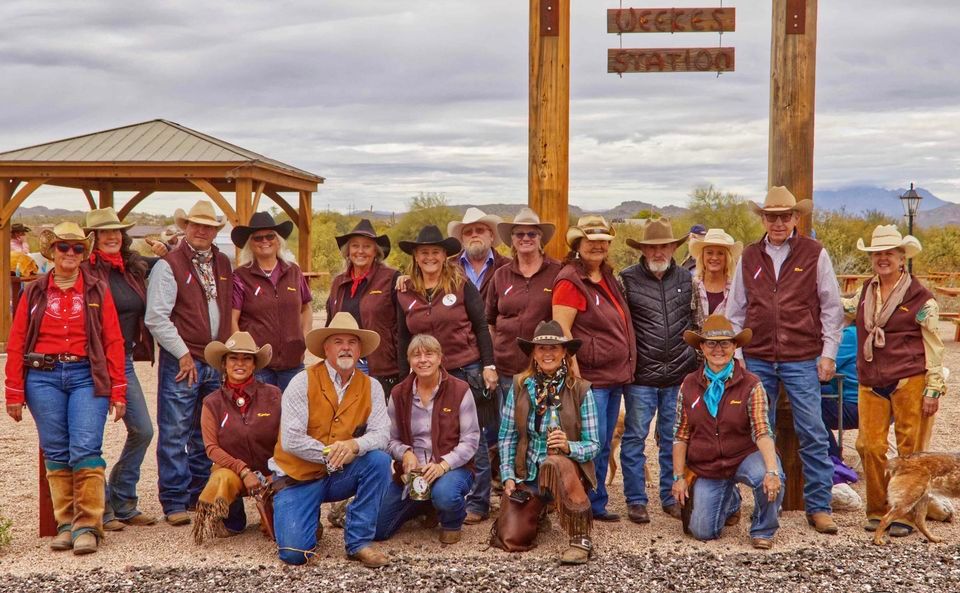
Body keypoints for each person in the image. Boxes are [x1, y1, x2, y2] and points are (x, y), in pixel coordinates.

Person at [725, 186, 843, 534]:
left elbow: (831, 307)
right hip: (758, 356)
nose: (778, 222)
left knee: (813, 432)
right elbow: (736, 310)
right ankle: (763, 508)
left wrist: (828, 353)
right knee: (756, 431)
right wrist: (737, 354)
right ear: (763, 218)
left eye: (785, 216)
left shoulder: (814, 253)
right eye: (771, 216)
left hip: (802, 356)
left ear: (795, 218)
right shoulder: (749, 256)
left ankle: (819, 506)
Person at [4, 222, 126, 555]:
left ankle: (88, 525)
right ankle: (67, 524)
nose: (70, 254)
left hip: (86, 373)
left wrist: (119, 390)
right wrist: (13, 391)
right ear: (52, 251)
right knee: (56, 450)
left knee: (86, 446)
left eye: (76, 248)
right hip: (42, 375)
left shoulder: (98, 290)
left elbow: (114, 340)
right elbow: (16, 342)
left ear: (83, 253)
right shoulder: (33, 291)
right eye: (63, 247)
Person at [270, 312, 392, 567]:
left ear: (360, 350)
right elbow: (292, 440)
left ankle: (359, 541)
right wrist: (334, 453)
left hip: (337, 474)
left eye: (352, 342)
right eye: (338, 341)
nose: (346, 347)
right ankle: (305, 516)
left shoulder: (372, 386)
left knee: (379, 461)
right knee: (294, 554)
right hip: (297, 478)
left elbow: (382, 434)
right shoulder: (301, 381)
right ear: (325, 348)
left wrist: (354, 446)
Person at [395, 225, 499, 524]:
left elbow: (481, 326)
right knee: (430, 433)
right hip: (425, 373)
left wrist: (489, 365)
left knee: (472, 437)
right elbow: (404, 337)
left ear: (445, 255)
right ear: (415, 256)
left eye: (435, 252)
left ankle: (478, 502)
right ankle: (429, 495)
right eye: (424, 252)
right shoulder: (405, 291)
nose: (430, 257)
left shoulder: (461, 283)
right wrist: (406, 378)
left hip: (465, 367)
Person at [853, 225, 944, 538]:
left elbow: (934, 345)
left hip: (909, 378)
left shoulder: (922, 298)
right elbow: (846, 309)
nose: (882, 258)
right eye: (877, 253)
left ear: (901, 258)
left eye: (888, 253)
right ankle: (878, 510)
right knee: (869, 445)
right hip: (871, 379)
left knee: (911, 450)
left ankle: (904, 513)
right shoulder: (866, 291)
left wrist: (933, 388)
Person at [145, 200, 233, 526]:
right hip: (184, 360)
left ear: (215, 231)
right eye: (195, 224)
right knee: (174, 431)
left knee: (206, 433)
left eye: (207, 226)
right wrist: (182, 352)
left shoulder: (224, 263)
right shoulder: (168, 265)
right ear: (185, 227)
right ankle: (173, 500)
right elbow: (156, 317)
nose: (201, 230)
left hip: (215, 360)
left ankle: (198, 492)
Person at [672, 315, 784, 549]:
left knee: (772, 476)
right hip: (709, 465)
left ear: (735, 346)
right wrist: (678, 477)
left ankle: (763, 528)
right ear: (701, 347)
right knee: (702, 532)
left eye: (725, 343)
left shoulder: (751, 384)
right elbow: (681, 435)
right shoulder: (689, 385)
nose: (718, 349)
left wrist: (772, 471)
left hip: (744, 456)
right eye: (711, 343)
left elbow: (763, 431)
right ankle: (732, 501)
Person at [552, 215, 635, 522]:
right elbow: (563, 331)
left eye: (603, 240)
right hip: (591, 379)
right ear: (578, 244)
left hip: (613, 377)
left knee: (600, 444)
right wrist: (576, 374)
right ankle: (581, 502)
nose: (598, 244)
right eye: (591, 239)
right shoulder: (571, 280)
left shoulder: (607, 277)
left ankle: (596, 502)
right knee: (591, 443)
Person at [81, 208, 158, 531]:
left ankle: (123, 498)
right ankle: (101, 507)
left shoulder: (132, 268)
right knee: (91, 438)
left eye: (117, 231)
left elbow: (169, 267)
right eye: (104, 232)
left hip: (122, 358)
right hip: (89, 360)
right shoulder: (85, 271)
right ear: (93, 238)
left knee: (142, 429)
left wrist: (167, 249)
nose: (112, 236)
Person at [498, 320, 599, 564]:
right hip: (529, 473)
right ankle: (539, 508)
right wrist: (508, 475)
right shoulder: (520, 386)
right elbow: (507, 435)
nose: (548, 354)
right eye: (542, 348)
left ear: (565, 352)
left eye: (554, 348)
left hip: (566, 474)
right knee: (512, 538)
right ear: (533, 352)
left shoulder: (580, 389)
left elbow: (594, 444)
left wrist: (568, 446)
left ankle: (580, 535)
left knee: (556, 462)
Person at [619, 218, 699, 523]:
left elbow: (696, 322)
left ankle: (670, 496)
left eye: (663, 246)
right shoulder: (626, 280)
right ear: (643, 249)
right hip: (641, 375)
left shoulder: (687, 279)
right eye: (651, 247)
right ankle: (636, 499)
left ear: (672, 247)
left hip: (679, 374)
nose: (657, 252)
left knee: (672, 437)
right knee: (635, 437)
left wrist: (694, 361)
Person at [375, 334, 479, 544]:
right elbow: (389, 440)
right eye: (416, 355)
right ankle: (423, 506)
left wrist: (442, 466)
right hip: (412, 475)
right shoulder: (398, 393)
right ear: (409, 361)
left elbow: (471, 439)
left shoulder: (460, 390)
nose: (423, 359)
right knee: (377, 529)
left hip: (452, 468)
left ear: (440, 358)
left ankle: (451, 520)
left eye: (429, 354)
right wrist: (405, 453)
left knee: (446, 495)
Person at [194, 331, 280, 543]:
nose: (239, 363)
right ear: (224, 363)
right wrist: (243, 471)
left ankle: (278, 507)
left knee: (278, 531)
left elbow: (285, 437)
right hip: (235, 472)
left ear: (254, 364)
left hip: (272, 472)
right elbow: (211, 448)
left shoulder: (273, 394)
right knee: (221, 477)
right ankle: (229, 516)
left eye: (246, 358)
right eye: (233, 358)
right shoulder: (211, 402)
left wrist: (276, 471)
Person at [230, 212, 312, 393]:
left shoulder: (293, 271)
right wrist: (245, 353)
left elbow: (306, 308)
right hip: (259, 365)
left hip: (293, 362)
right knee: (262, 417)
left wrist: (304, 338)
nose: (264, 241)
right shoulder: (240, 276)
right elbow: (232, 319)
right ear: (250, 244)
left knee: (294, 416)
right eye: (257, 238)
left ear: (278, 240)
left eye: (270, 236)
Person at [487, 208, 562, 397]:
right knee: (508, 424)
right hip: (506, 368)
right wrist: (496, 356)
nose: (525, 238)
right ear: (512, 239)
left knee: (543, 423)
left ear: (540, 238)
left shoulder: (558, 272)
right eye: (519, 234)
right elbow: (490, 322)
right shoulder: (500, 275)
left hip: (545, 366)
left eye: (532, 233)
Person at [327, 219, 401, 397]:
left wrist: (403, 368)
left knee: (379, 421)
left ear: (376, 251)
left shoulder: (391, 279)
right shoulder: (338, 282)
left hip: (380, 366)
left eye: (367, 246)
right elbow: (330, 324)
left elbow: (401, 326)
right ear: (348, 251)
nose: (360, 251)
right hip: (344, 364)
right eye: (355, 246)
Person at [820, 308, 859, 460]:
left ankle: (832, 458)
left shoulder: (849, 335)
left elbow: (822, 367)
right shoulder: (863, 333)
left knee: (804, 407)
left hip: (855, 405)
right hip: (873, 402)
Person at [447, 207, 511, 300]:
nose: (474, 235)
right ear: (462, 239)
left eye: (480, 230)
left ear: (491, 236)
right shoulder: (448, 268)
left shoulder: (508, 267)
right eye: (468, 232)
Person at [690, 228, 742, 328]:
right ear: (703, 256)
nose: (714, 258)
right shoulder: (692, 286)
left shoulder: (735, 288)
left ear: (727, 258)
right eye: (709, 253)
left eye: (720, 253)